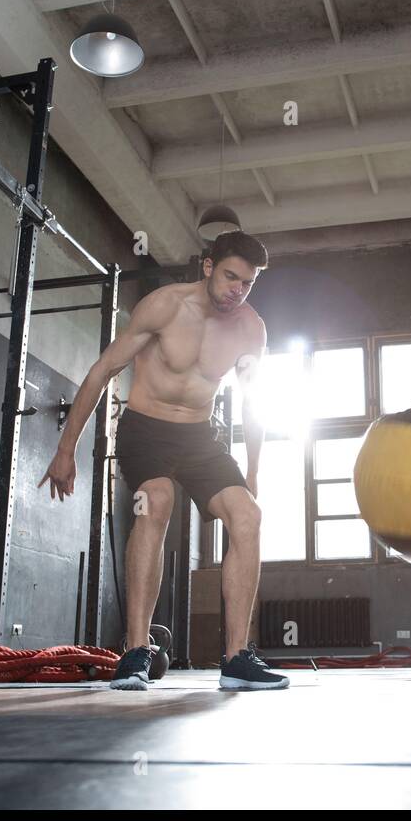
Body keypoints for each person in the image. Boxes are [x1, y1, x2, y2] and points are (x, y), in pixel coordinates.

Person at [39, 230, 288, 691]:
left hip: (200, 436)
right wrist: (65, 449)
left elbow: (255, 403)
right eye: (231, 276)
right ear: (209, 266)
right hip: (145, 430)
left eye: (248, 283)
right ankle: (135, 651)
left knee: (248, 516)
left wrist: (252, 471)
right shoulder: (164, 306)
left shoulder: (251, 328)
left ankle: (236, 660)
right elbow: (102, 372)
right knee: (156, 500)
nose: (238, 289)